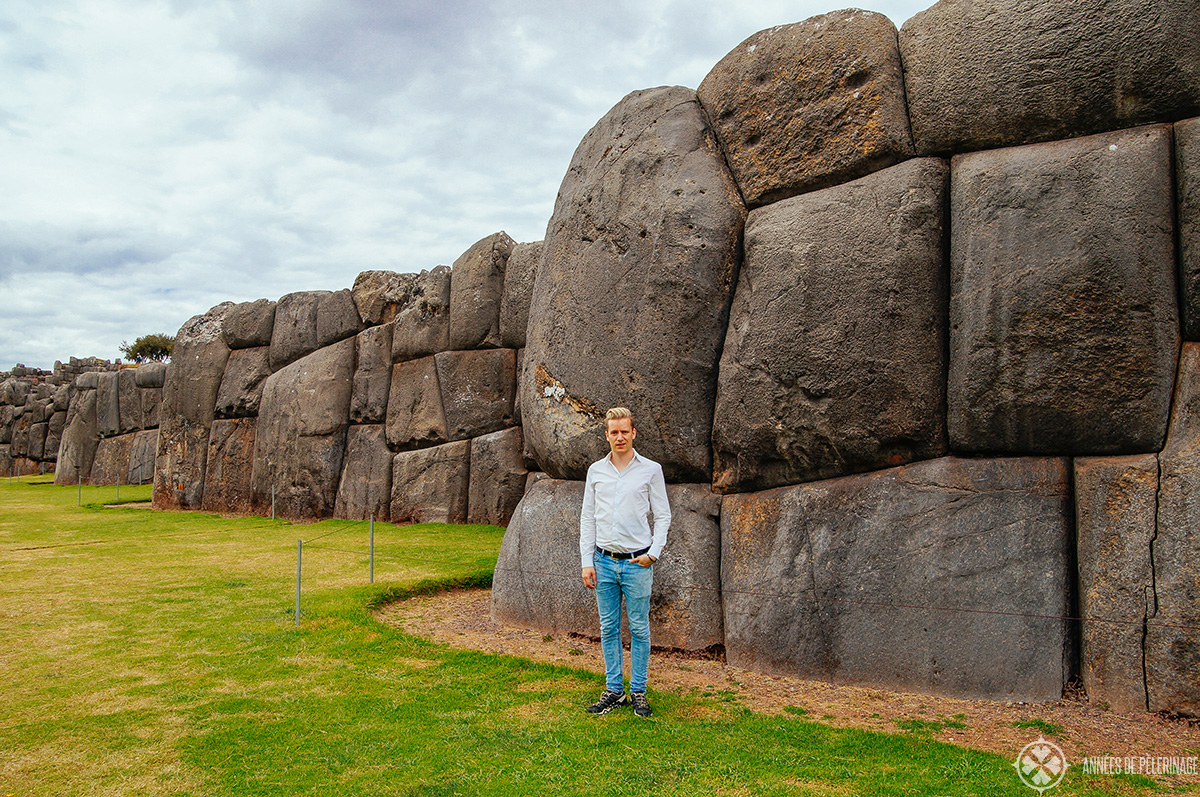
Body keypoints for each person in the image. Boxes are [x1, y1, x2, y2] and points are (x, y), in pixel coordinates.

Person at [579, 406, 671, 717]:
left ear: (633, 433)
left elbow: (663, 515)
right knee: (608, 628)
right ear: (606, 435)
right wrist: (586, 561)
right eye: (613, 432)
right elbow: (588, 518)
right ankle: (614, 690)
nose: (619, 437)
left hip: (637, 563)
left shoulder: (650, 470)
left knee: (640, 629)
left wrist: (653, 553)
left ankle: (639, 691)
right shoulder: (596, 471)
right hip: (603, 562)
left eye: (624, 431)